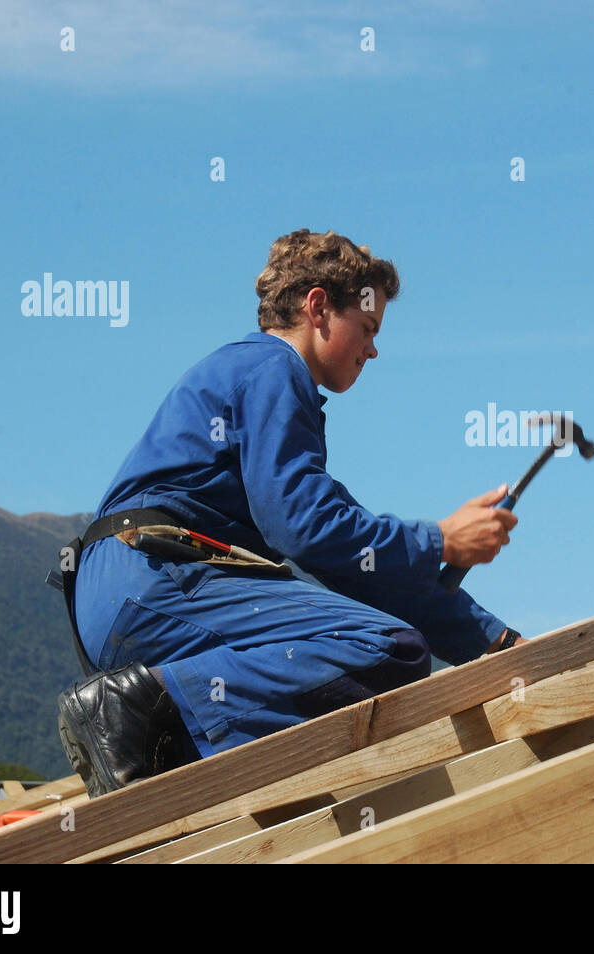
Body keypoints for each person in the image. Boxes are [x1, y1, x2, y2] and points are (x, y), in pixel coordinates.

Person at [58, 228, 523, 797]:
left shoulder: (254, 382)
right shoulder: (272, 369)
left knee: (374, 640)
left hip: (129, 593)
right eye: (369, 327)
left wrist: (498, 645)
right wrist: (440, 542)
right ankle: (142, 710)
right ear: (319, 306)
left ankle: (165, 743)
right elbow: (302, 526)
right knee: (389, 649)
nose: (373, 350)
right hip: (154, 580)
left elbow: (356, 561)